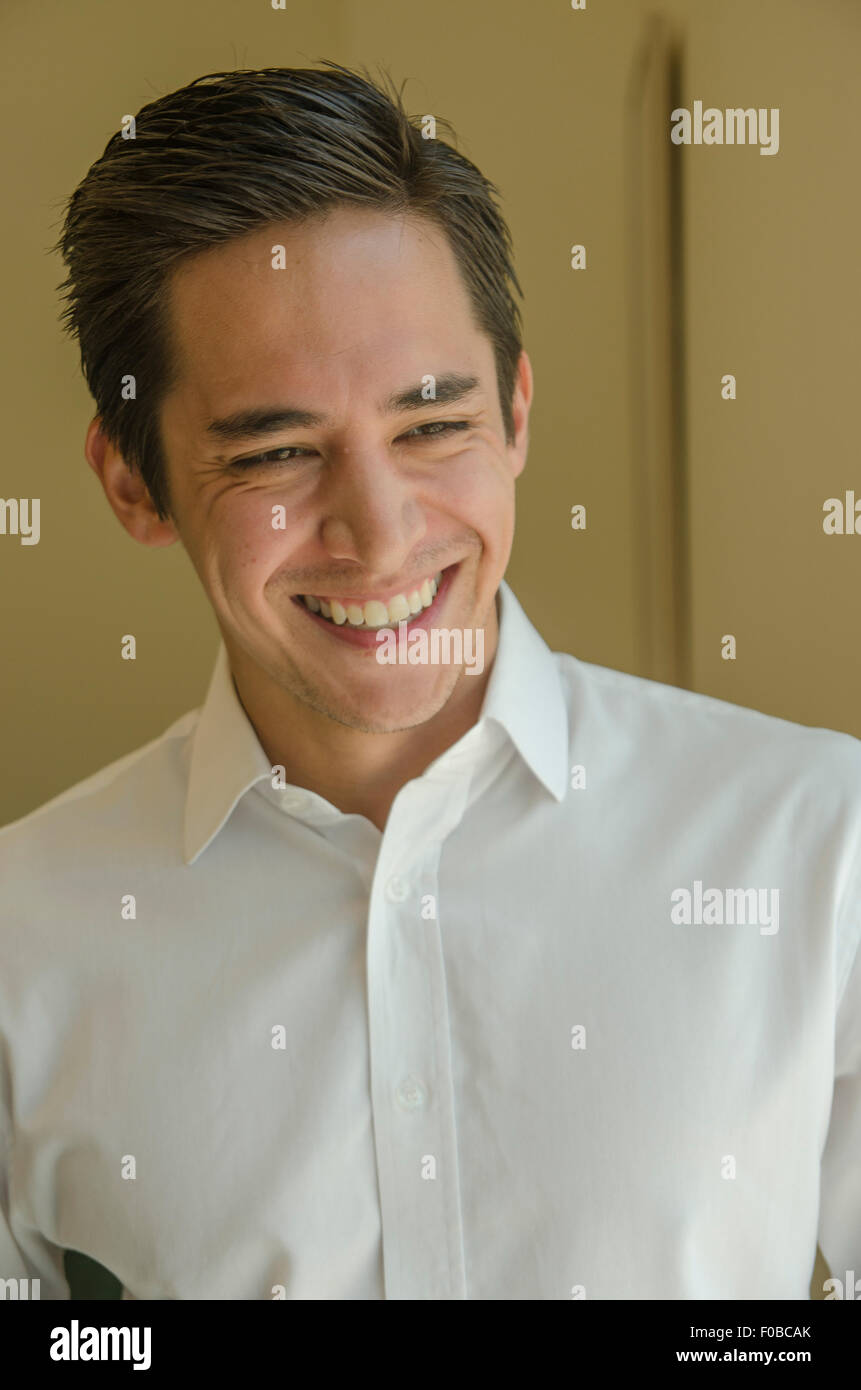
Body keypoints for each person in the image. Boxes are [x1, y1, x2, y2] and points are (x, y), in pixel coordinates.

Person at [1, 61, 859, 1302]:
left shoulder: (815, 843)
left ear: (514, 411)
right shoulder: (26, 937)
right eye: (280, 451)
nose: (382, 534)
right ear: (132, 482)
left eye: (431, 426)